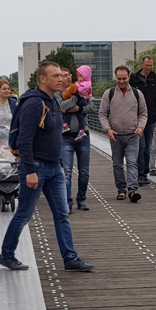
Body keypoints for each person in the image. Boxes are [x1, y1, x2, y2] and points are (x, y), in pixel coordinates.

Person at [0, 61, 93, 272]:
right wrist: (30, 170)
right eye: (56, 76)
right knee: (24, 213)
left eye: (61, 75)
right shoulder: (34, 103)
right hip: (36, 167)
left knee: (62, 214)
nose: (61, 79)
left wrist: (59, 165)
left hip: (53, 168)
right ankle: (7, 255)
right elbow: (25, 139)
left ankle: (70, 258)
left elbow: (53, 138)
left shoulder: (54, 102)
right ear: (43, 79)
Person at [98, 65, 146, 202]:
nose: (121, 81)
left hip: (132, 135)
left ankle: (132, 190)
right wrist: (107, 129)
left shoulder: (137, 94)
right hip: (115, 135)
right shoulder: (109, 93)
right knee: (117, 164)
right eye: (118, 78)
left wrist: (140, 127)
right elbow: (102, 114)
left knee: (132, 162)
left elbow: (143, 113)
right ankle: (121, 189)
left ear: (129, 77)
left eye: (124, 78)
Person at [129, 55, 156, 185]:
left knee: (148, 148)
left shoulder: (155, 78)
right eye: (147, 65)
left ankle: (144, 172)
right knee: (141, 146)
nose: (149, 68)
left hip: (151, 117)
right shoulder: (133, 78)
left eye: (151, 65)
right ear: (142, 64)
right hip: (137, 118)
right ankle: (139, 174)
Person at [60, 65, 92, 211]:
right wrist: (77, 97)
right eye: (64, 75)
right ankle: (68, 202)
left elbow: (92, 107)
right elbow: (62, 106)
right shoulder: (57, 94)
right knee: (67, 171)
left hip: (83, 136)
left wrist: (79, 108)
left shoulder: (82, 87)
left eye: (69, 75)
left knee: (84, 171)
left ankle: (82, 199)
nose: (68, 77)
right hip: (65, 137)